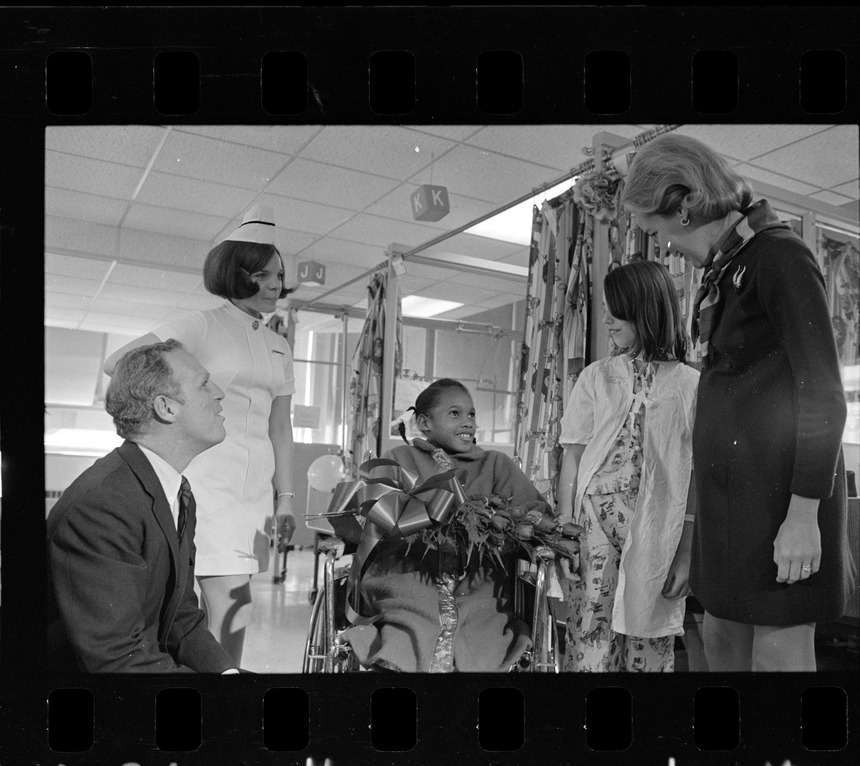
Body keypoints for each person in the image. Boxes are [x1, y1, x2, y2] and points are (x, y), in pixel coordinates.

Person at [622, 132, 853, 671]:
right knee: (723, 642)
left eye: (656, 230)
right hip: (736, 505)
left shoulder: (780, 258)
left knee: (778, 653)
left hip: (782, 505)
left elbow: (822, 395)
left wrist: (803, 516)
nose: (664, 246)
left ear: (682, 205)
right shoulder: (730, 266)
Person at [103, 205, 296, 667]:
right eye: (263, 275)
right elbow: (119, 363)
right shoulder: (202, 323)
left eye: (279, 276)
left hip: (252, 494)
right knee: (198, 610)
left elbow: (280, 425)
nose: (275, 286)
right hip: (201, 482)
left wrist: (286, 495)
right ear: (235, 274)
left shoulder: (279, 344)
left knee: (233, 612)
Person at [48, 340, 238, 673]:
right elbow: (117, 659)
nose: (219, 393)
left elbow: (181, 616)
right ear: (166, 408)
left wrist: (228, 675)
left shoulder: (175, 490)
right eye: (204, 384)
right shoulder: (101, 505)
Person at [342, 379, 551, 672]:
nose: (468, 422)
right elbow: (375, 513)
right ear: (424, 422)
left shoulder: (496, 464)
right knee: (407, 633)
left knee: (483, 640)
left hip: (478, 586)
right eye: (455, 414)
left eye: (472, 414)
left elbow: (536, 511)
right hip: (410, 579)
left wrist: (499, 524)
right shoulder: (399, 459)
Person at [557, 260, 700, 672]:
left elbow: (694, 476)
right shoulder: (596, 378)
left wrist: (686, 554)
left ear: (644, 309)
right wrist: (564, 533)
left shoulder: (689, 385)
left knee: (648, 640)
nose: (605, 320)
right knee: (589, 639)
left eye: (614, 310)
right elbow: (574, 456)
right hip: (591, 528)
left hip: (656, 530)